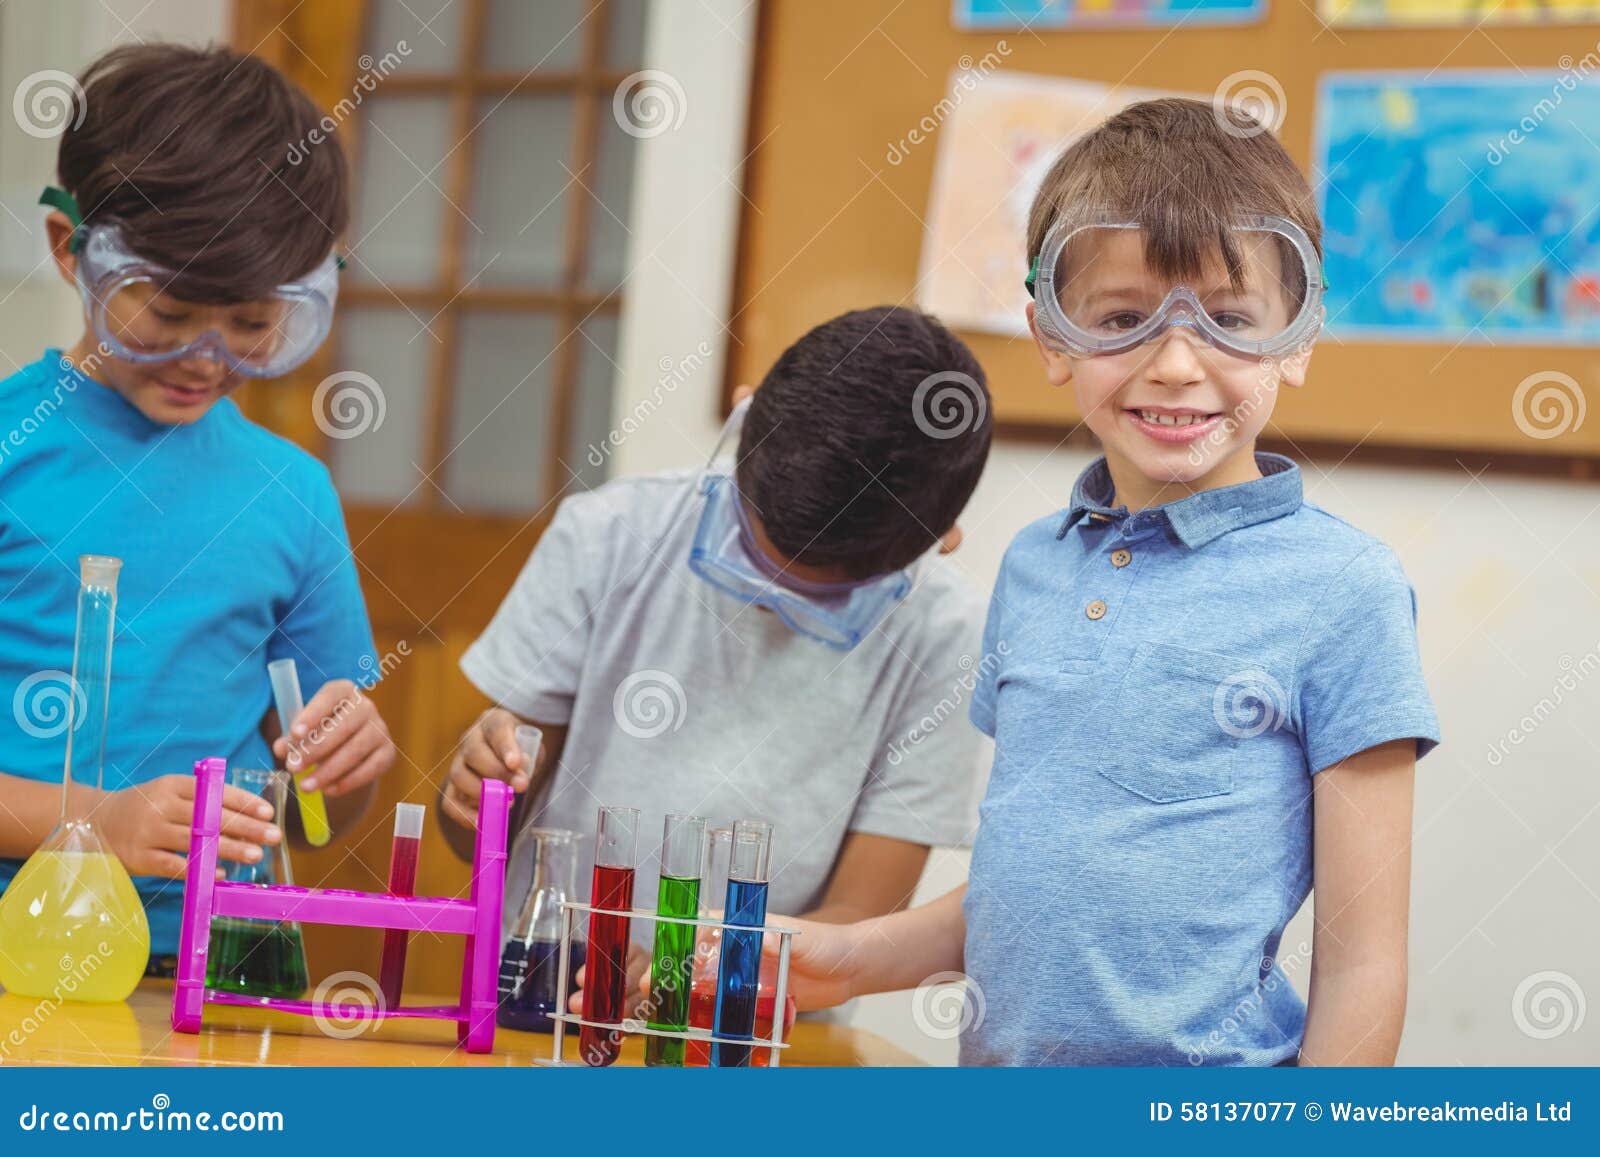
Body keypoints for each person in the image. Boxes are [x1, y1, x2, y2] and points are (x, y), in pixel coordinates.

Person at [759, 99, 1441, 1066]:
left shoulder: (1344, 589)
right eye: (1122, 318)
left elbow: (1366, 962)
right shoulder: (1034, 567)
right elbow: (1034, 893)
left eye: (1231, 319)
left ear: (1297, 341)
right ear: (1051, 337)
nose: (1174, 362)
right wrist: (851, 955)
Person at [0, 45, 395, 971]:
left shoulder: (291, 494)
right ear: (72, 252)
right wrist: (98, 821)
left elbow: (318, 816)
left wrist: (343, 770)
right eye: (166, 313)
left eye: (254, 324)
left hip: (220, 965)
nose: (206, 358)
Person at [439, 306, 993, 950]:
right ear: (742, 414)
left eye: (819, 600)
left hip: (766, 1031)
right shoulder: (609, 534)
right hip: (541, 990)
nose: (765, 599)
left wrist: (681, 975)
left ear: (940, 543)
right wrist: (475, 799)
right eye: (748, 559)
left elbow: (858, 921)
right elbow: (476, 841)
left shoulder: (946, 637)